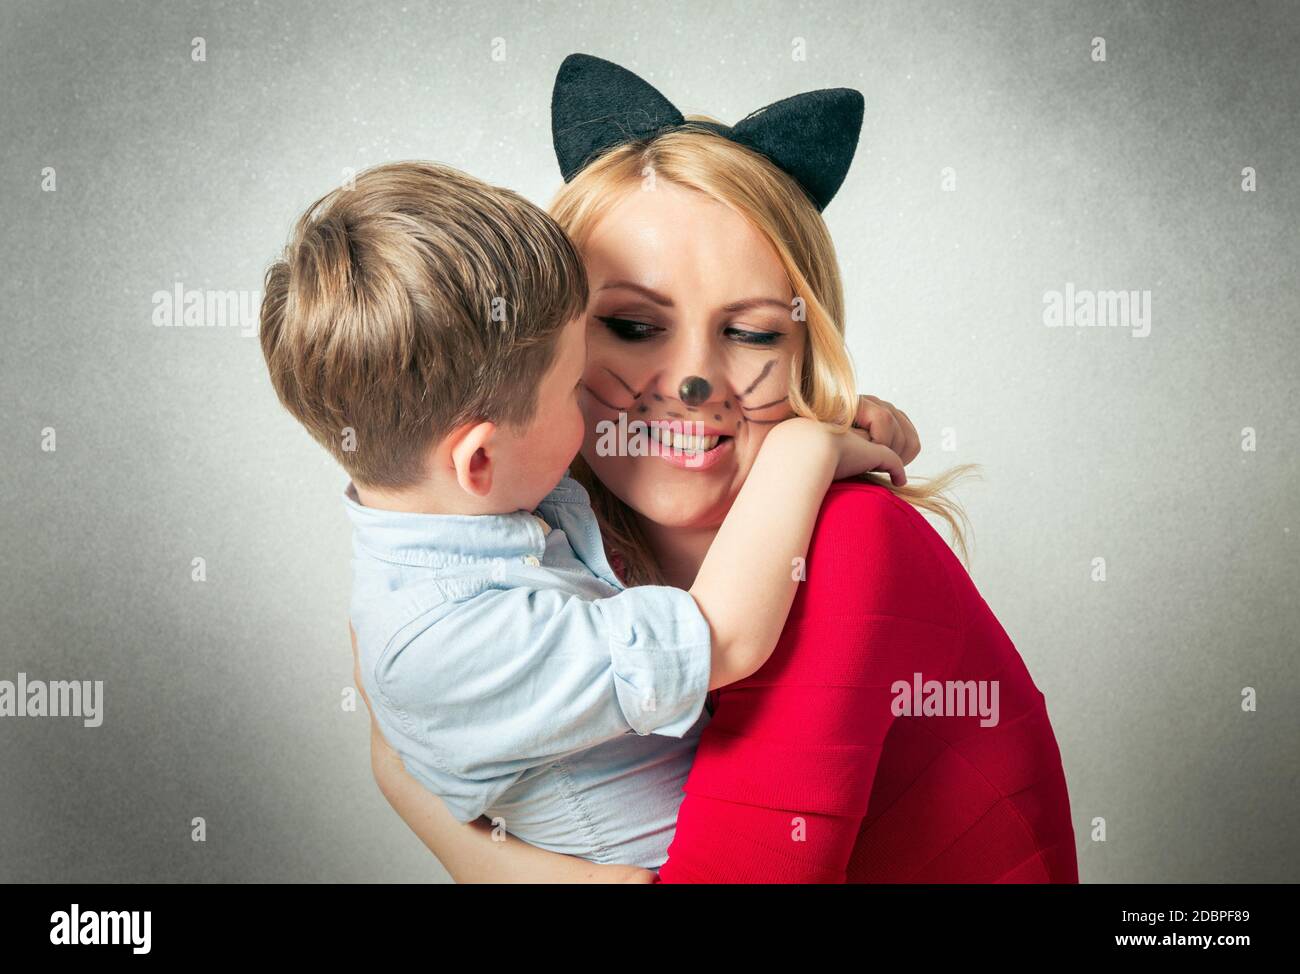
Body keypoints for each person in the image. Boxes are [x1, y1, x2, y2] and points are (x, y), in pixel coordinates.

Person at [361, 55, 1078, 883]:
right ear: (544, 348)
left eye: (752, 334)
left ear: (808, 353)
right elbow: (393, 664)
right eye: (632, 326)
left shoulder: (855, 541)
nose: (693, 381)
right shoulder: (553, 541)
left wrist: (427, 810)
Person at [259, 159, 906, 873]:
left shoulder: (473, 517)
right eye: (576, 384)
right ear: (478, 462)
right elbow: (722, 635)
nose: (687, 385)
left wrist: (828, 418)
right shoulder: (455, 635)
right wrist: (801, 450)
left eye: (751, 333)